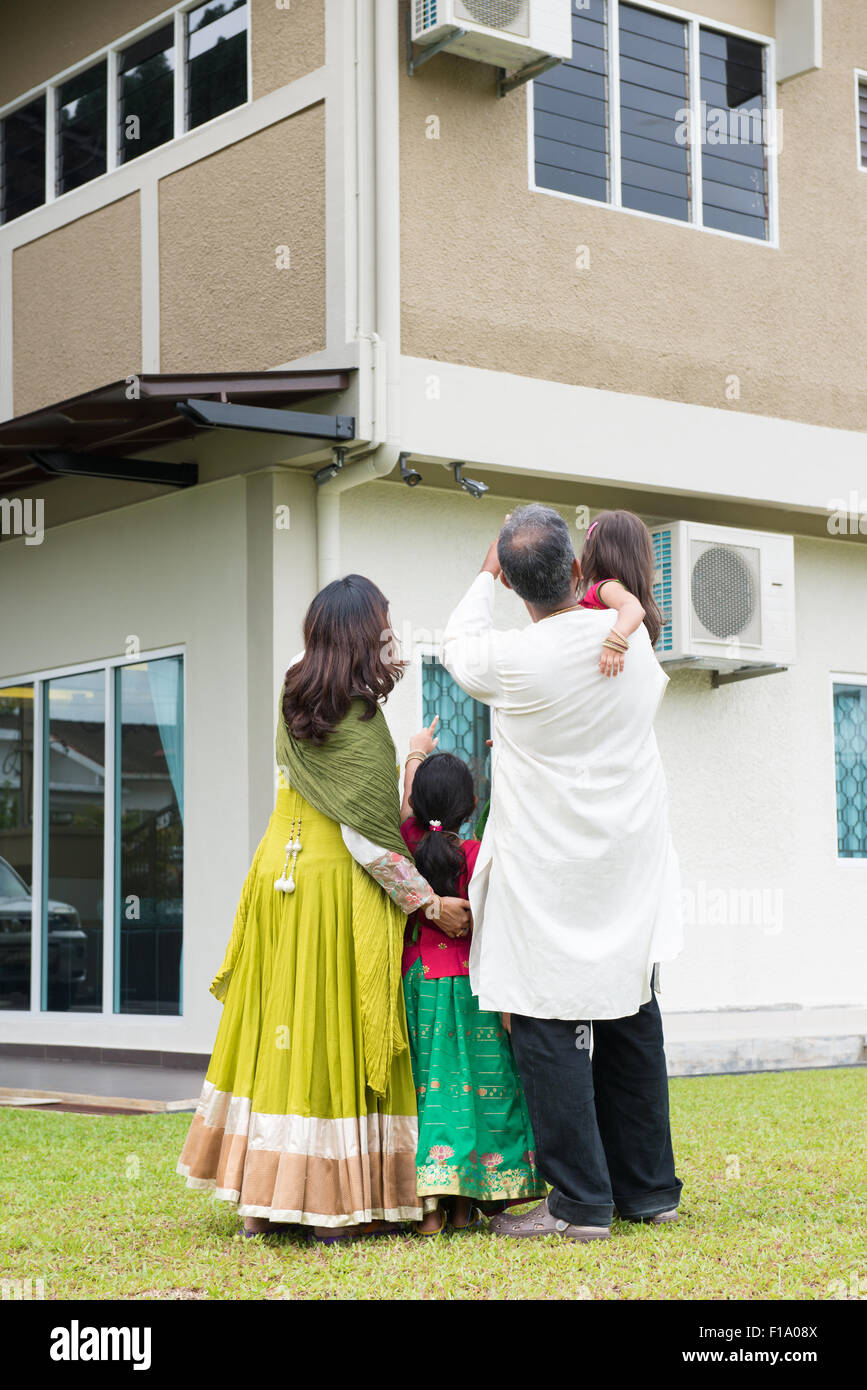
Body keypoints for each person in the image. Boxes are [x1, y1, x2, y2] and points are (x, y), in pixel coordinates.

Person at [177, 575, 472, 1241]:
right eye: (384, 623)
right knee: (332, 1032)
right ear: (366, 632)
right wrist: (428, 904)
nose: (390, 633)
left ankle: (260, 1203)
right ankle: (334, 1210)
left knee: (277, 1034)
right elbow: (368, 838)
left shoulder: (293, 690)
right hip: (334, 888)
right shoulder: (361, 717)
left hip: (275, 878)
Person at [441, 504, 683, 1243]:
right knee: (629, 1013)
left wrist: (484, 576)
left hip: (548, 872)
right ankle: (648, 1191)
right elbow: (628, 610)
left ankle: (578, 1203)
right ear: (578, 571)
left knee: (548, 1022)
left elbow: (457, 643)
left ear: (516, 587)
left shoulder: (514, 660)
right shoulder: (636, 648)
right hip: (628, 862)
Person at [398, 723, 546, 1234]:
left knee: (431, 1088)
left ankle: (430, 1211)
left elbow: (408, 810)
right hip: (475, 986)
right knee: (481, 1087)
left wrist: (415, 755)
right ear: (470, 804)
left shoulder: (407, 844)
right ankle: (466, 1207)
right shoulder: (478, 853)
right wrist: (508, 757)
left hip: (422, 983)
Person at [576, 511, 664, 678]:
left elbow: (633, 609)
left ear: (596, 554)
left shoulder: (605, 587)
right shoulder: (612, 590)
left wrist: (616, 640)